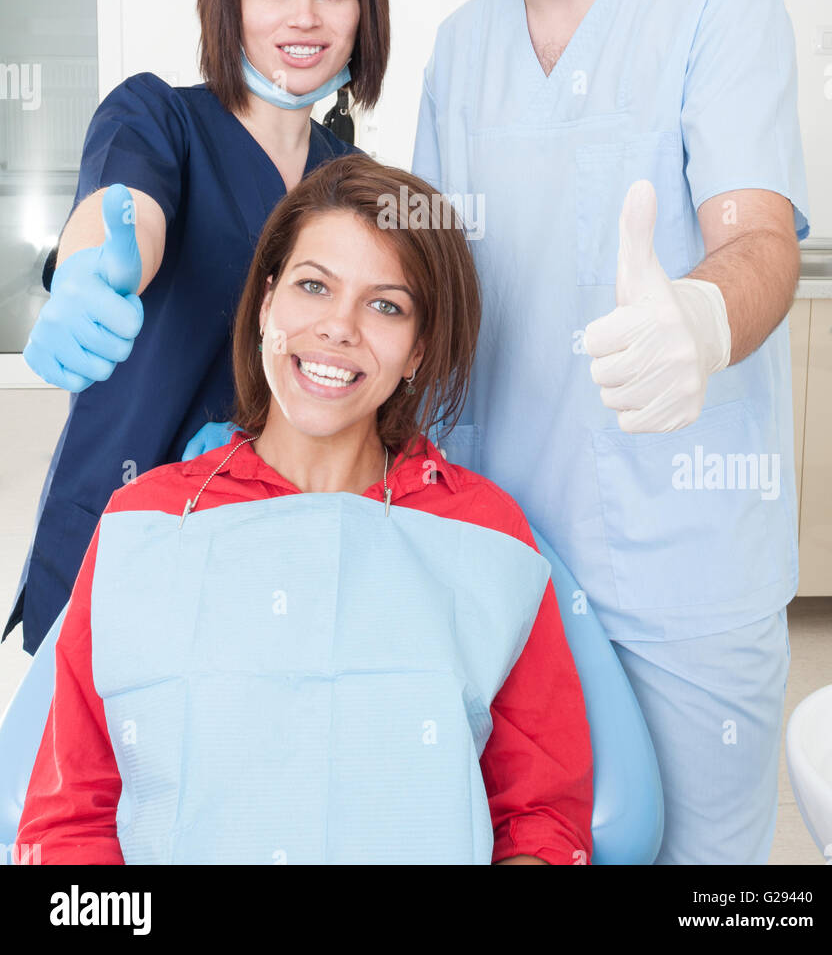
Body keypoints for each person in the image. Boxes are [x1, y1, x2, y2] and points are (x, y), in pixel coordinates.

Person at [399, 0, 809, 864]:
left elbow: (759, 241)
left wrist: (697, 314)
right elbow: (429, 290)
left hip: (679, 570)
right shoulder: (459, 52)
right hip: (503, 560)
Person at [15, 155, 593, 866]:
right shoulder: (146, 523)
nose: (338, 327)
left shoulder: (482, 532)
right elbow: (71, 821)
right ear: (266, 306)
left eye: (386, 305)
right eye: (312, 286)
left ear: (417, 349)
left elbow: (539, 816)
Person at [4, 0, 387, 656]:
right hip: (127, 515)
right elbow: (125, 208)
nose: (304, 16)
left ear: (361, 17)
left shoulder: (353, 181)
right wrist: (95, 273)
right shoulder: (159, 116)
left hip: (271, 530)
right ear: (229, 5)